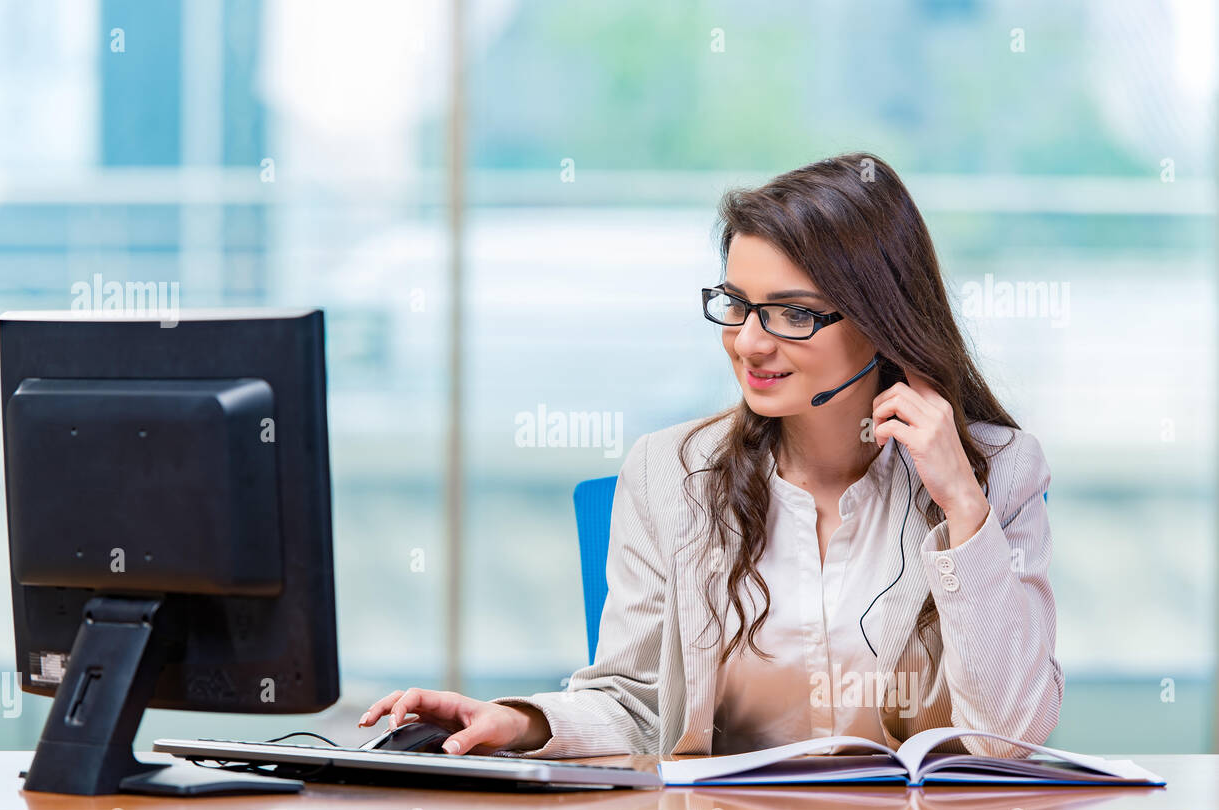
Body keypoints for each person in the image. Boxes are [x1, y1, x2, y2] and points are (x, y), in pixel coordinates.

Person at [359, 152, 1062, 760]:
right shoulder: (669, 472)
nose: (750, 343)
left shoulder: (998, 474)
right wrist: (519, 723)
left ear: (882, 320)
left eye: (792, 313)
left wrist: (962, 510)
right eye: (736, 304)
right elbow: (638, 705)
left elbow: (1007, 738)